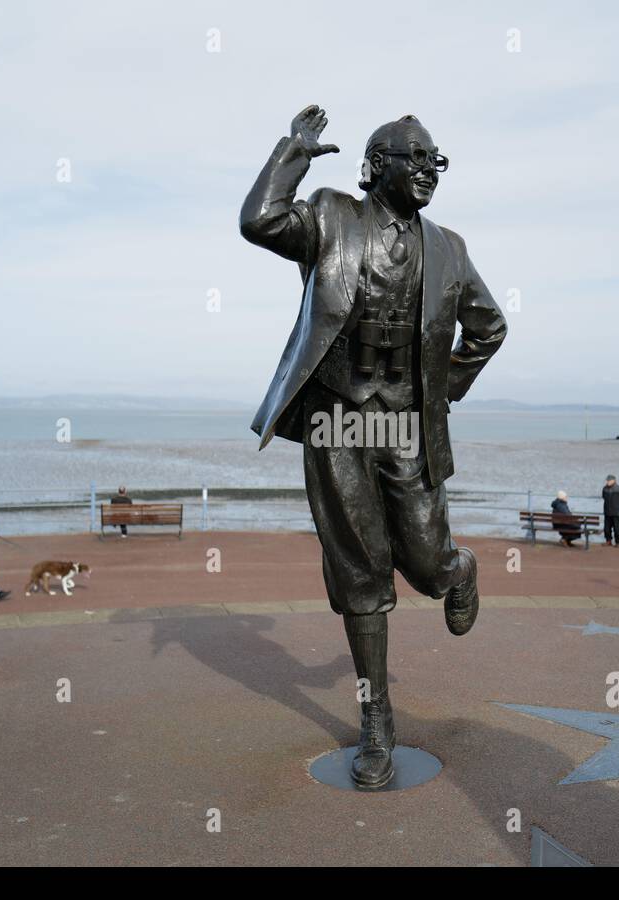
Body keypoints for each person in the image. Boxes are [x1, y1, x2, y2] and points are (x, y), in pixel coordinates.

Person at [241, 106, 507, 788]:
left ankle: (458, 568)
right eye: (414, 159)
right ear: (375, 167)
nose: (427, 171)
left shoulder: (448, 247)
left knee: (422, 561)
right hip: (337, 423)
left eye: (434, 161)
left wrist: (438, 389)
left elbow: (488, 327)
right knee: (360, 573)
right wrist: (291, 152)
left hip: (405, 426)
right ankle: (377, 721)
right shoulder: (331, 218)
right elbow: (259, 219)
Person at [602, 474, 619, 547]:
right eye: (607, 480)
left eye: (609, 480)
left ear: (614, 480)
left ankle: (618, 542)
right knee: (606, 528)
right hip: (607, 511)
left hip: (616, 512)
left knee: (617, 529)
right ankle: (608, 541)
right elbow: (603, 497)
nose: (607, 482)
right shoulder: (604, 489)